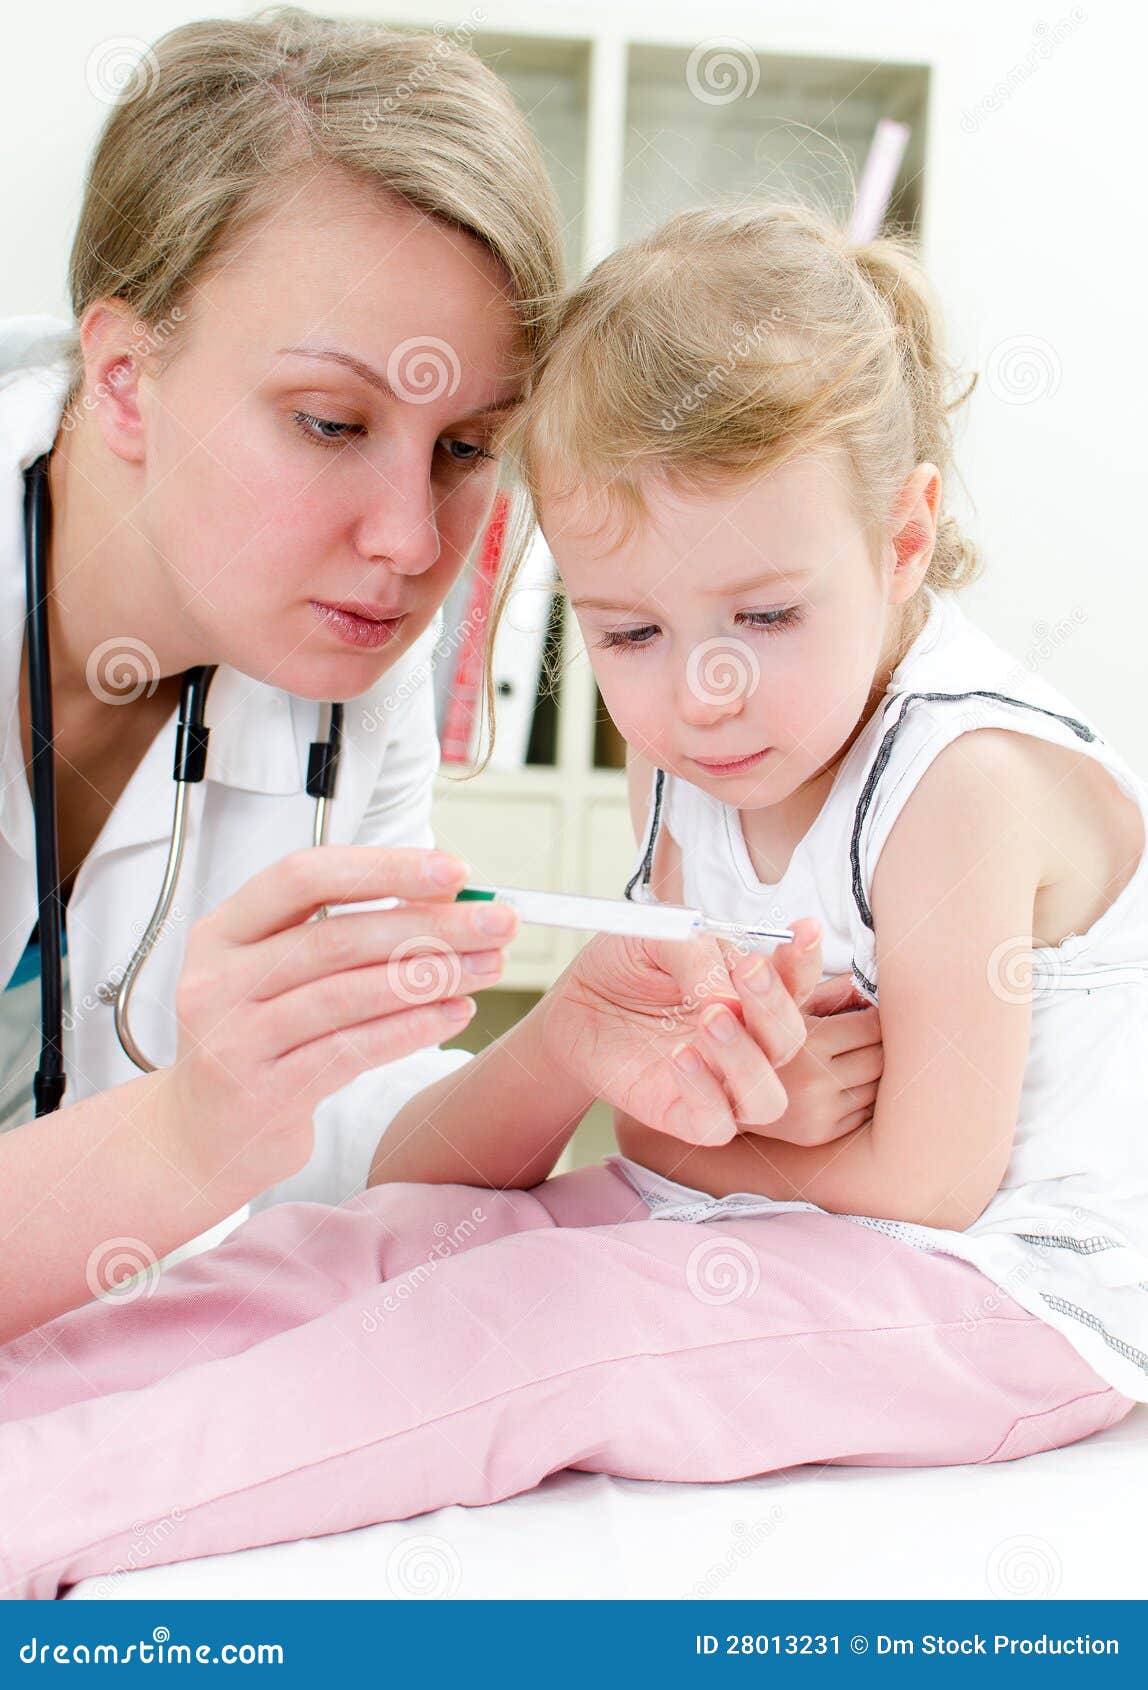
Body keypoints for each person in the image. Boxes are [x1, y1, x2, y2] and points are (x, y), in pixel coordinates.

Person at [1, 200, 1139, 1600]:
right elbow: (660, 1119)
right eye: (630, 632)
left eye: (766, 616)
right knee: (372, 1242)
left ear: (904, 542)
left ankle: (42, 1512)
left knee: (538, 1318)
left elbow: (922, 1185)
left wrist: (732, 1132)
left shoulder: (961, 780)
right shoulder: (707, 754)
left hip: (1006, 1302)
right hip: (760, 1222)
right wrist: (725, 1117)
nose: (699, 688)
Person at [0, 7, 567, 1337]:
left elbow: (324, 1123)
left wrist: (570, 1049)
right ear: (128, 378)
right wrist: (184, 1138)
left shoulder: (347, 671)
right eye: (330, 421)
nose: (412, 541)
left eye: (467, 445)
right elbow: (208, 1140)